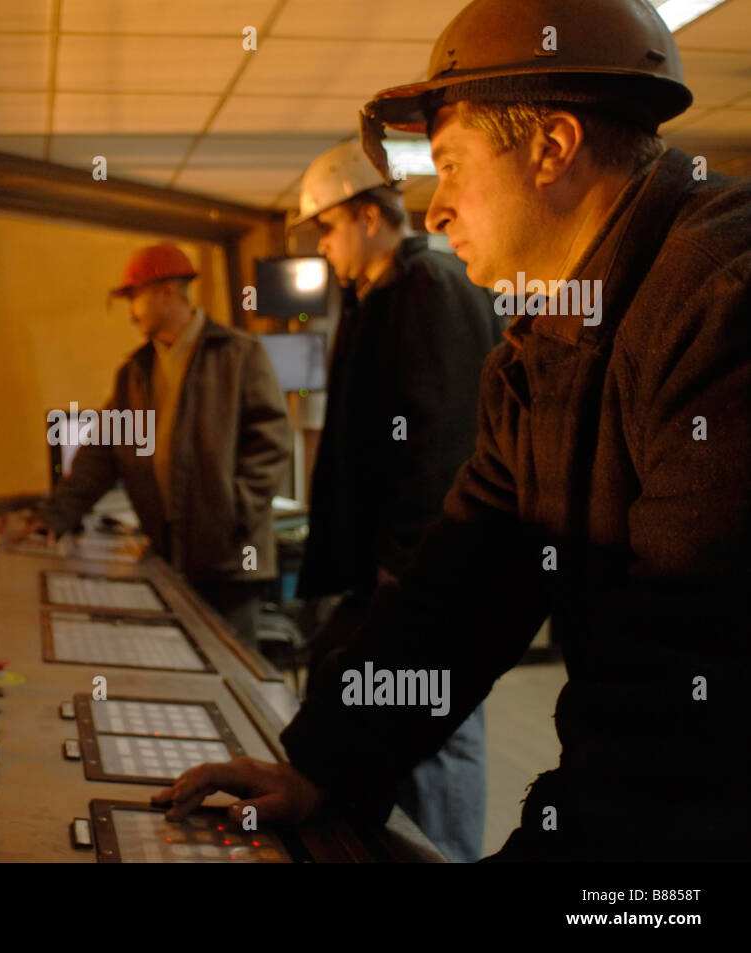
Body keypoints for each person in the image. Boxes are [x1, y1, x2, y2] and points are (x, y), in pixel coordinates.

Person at [156, 0, 750, 861]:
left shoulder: (723, 301)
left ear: (550, 147)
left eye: (450, 166)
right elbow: (460, 590)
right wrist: (321, 765)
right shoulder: (543, 347)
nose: (434, 213)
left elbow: (682, 707)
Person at [292, 140, 505, 862]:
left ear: (365, 216)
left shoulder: (430, 285)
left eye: (327, 230)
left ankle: (446, 855)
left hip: (424, 563)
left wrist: (403, 560)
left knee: (435, 724)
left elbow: (440, 434)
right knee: (402, 713)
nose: (324, 249)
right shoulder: (382, 293)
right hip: (396, 562)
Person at [24, 243, 292, 650]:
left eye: (135, 296)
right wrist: (55, 516)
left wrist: (232, 512)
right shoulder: (135, 372)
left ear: (168, 291)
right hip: (171, 554)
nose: (130, 310)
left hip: (230, 562)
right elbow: (102, 453)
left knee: (236, 673)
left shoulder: (238, 354)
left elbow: (271, 443)